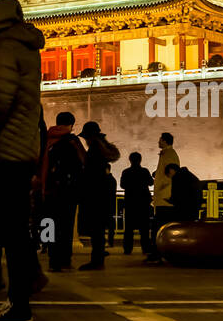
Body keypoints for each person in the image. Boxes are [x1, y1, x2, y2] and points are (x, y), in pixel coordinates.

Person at [0, 0, 45, 321]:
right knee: (16, 228)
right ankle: (25, 287)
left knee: (10, 230)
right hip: (24, 148)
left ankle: (18, 306)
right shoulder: (26, 46)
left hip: (7, 151)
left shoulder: (3, 48)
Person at [42, 111, 85, 272]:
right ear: (70, 125)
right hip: (67, 191)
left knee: (50, 225)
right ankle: (65, 260)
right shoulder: (72, 140)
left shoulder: (45, 139)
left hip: (48, 190)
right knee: (66, 226)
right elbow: (83, 161)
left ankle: (52, 260)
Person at [76, 121, 120, 271]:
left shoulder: (94, 150)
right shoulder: (102, 149)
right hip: (103, 195)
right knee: (99, 229)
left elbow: (89, 174)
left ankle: (97, 260)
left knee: (96, 229)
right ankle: (98, 258)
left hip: (94, 195)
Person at [147, 133, 180, 263]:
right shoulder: (168, 154)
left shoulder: (170, 154)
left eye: (160, 139)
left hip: (165, 198)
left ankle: (158, 253)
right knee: (159, 226)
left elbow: (170, 172)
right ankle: (157, 253)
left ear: (165, 141)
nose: (158, 141)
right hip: (163, 197)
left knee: (160, 227)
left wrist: (161, 186)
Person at [120, 151, 154, 255]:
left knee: (129, 228)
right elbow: (150, 182)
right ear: (140, 160)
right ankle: (145, 248)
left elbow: (122, 185)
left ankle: (127, 249)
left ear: (130, 160)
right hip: (143, 202)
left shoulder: (126, 172)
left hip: (130, 202)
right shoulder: (144, 171)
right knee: (144, 228)